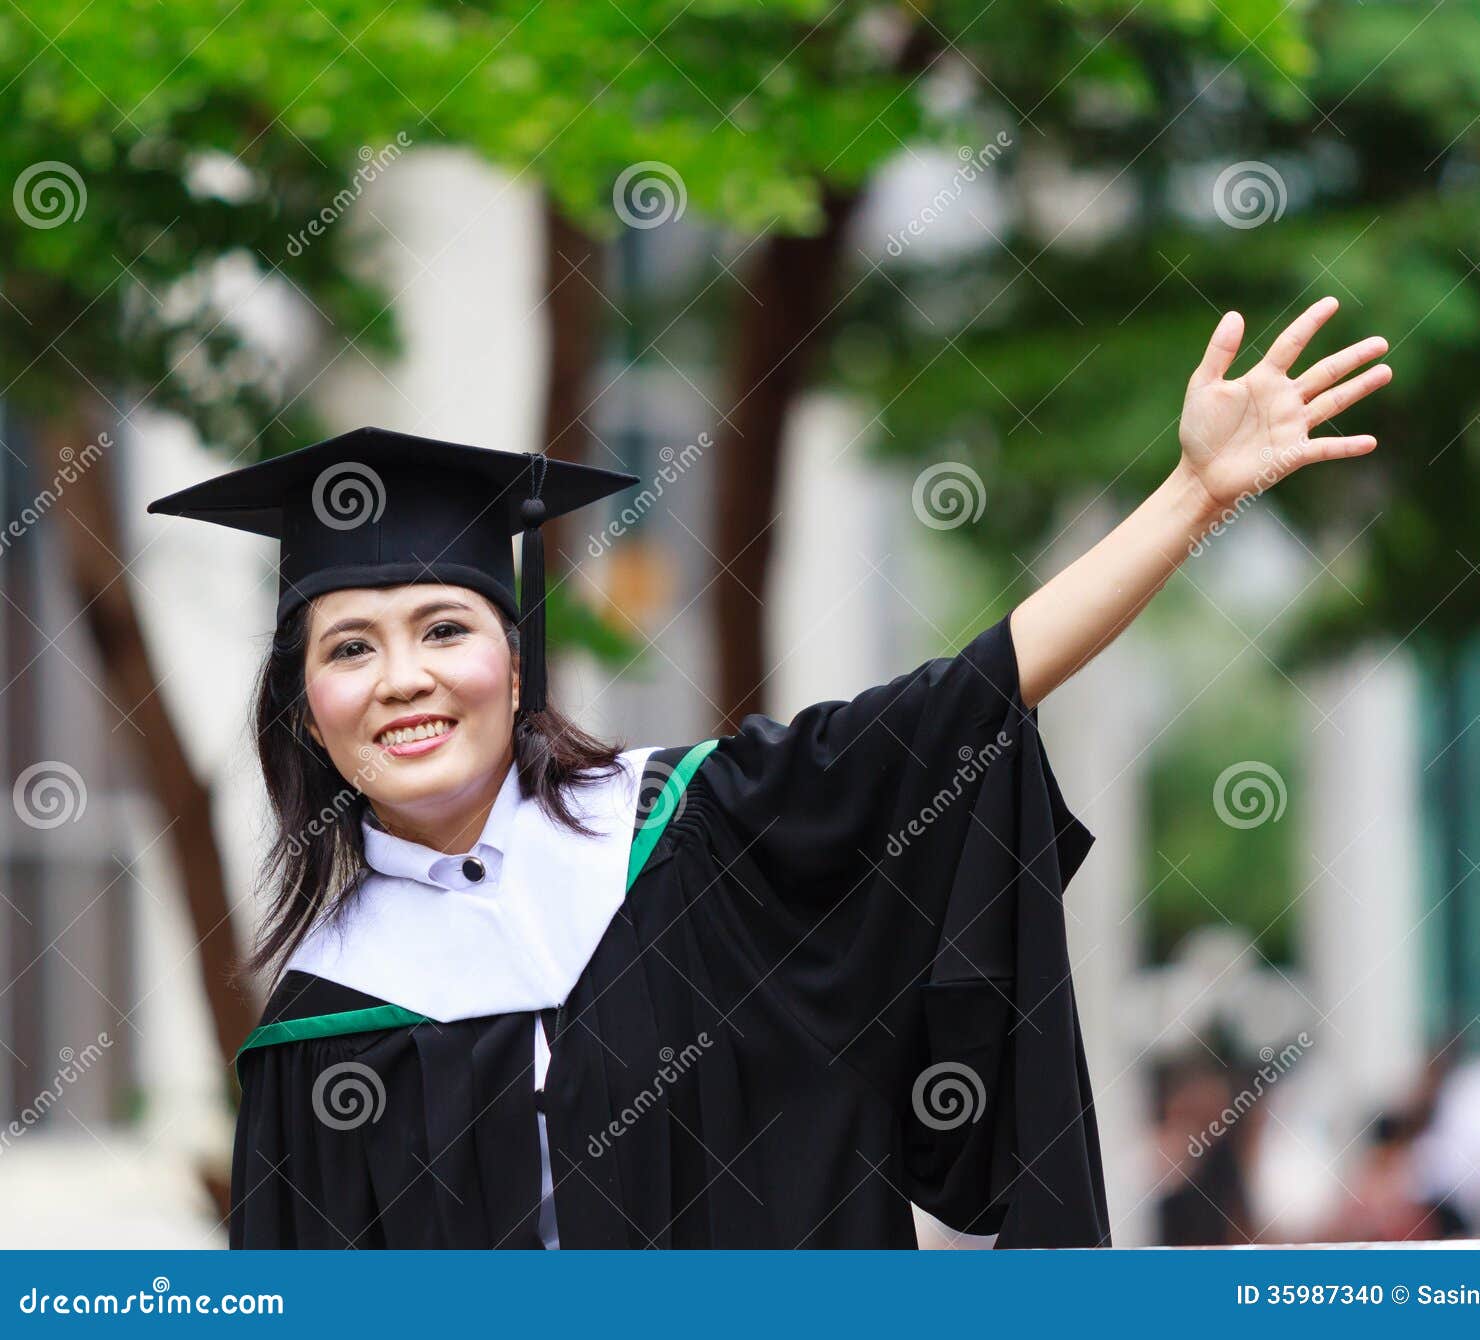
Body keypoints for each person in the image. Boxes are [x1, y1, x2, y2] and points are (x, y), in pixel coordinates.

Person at [149, 296, 1390, 1249]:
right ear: (307, 710)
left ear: (517, 666)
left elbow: (964, 699)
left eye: (444, 629)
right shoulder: (320, 1035)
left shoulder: (698, 831)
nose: (404, 677)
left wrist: (1191, 495)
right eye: (350, 648)